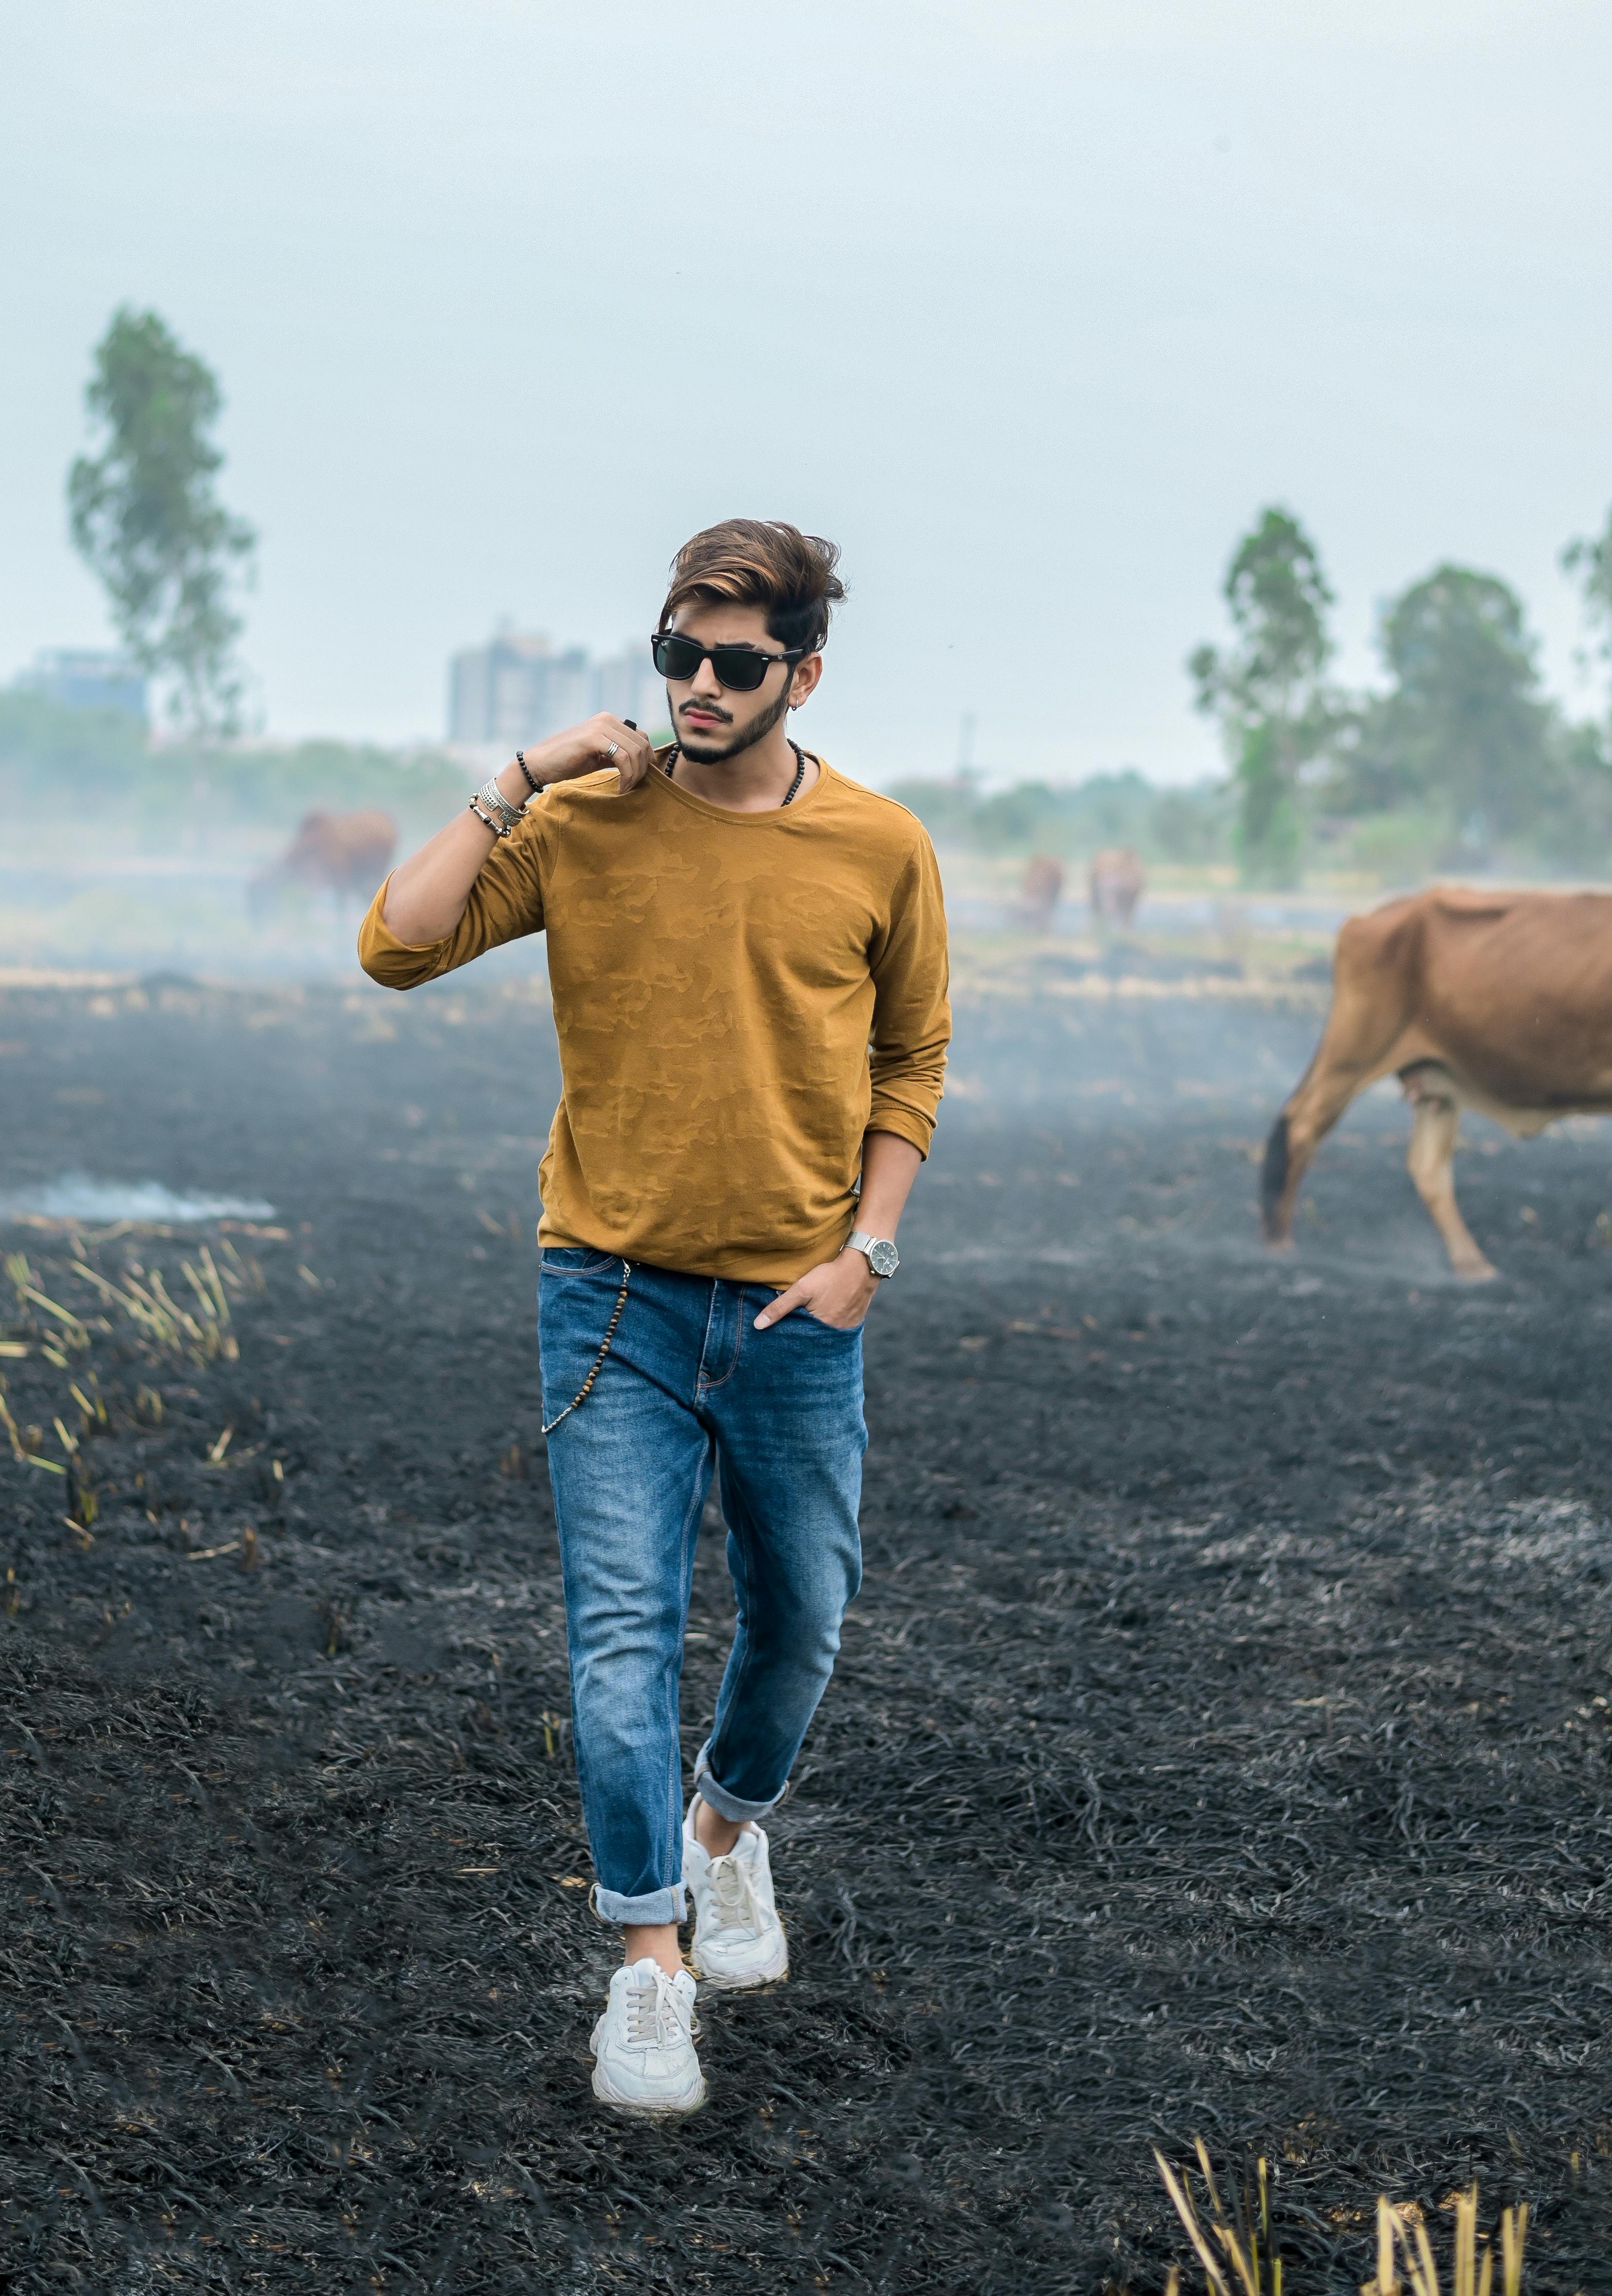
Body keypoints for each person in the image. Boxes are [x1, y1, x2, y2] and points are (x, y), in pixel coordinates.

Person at [358, 519, 950, 2116]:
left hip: (797, 1308)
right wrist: (517, 778)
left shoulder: (882, 847)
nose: (695, 683)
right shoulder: (585, 825)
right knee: (622, 1631)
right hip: (606, 1292)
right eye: (674, 653)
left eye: (734, 661)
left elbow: (911, 1063)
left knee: (804, 1610)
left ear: (802, 672)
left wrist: (866, 1254)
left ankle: (723, 1834)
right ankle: (647, 1960)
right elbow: (395, 946)